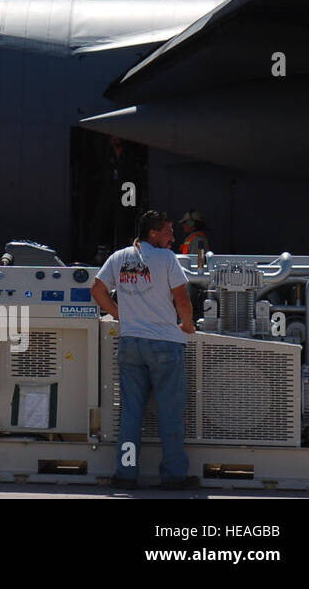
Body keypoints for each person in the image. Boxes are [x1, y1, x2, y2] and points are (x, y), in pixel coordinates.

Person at [91, 209, 199, 490]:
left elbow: (97, 290)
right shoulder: (165, 259)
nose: (173, 237)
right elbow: (182, 300)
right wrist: (187, 325)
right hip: (164, 343)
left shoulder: (119, 257)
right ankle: (174, 476)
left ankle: (126, 474)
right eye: (168, 231)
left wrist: (118, 315)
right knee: (170, 413)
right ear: (153, 233)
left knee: (130, 413)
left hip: (130, 344)